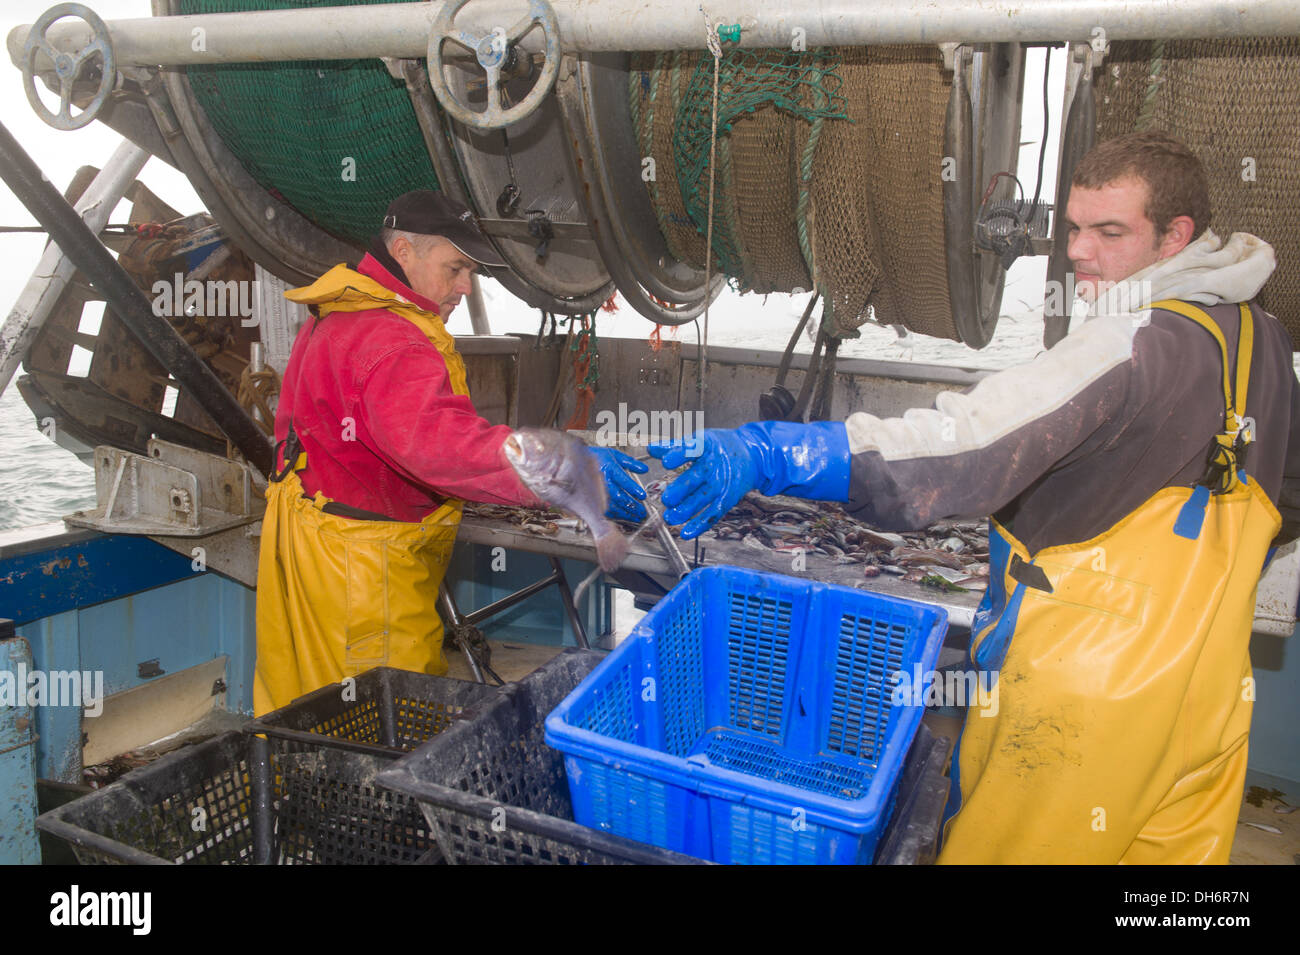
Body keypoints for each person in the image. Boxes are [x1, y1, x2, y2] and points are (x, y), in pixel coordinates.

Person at [648, 131, 1300, 863]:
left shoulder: (1126, 342)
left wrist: (777, 451)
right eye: (1074, 228)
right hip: (1209, 701)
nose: (1079, 253)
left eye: (1110, 232)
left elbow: (961, 446)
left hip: (1085, 706)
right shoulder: (1262, 339)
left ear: (1174, 236)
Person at [254, 191, 642, 715]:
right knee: (387, 715)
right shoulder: (391, 339)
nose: (465, 286)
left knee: (307, 705)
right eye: (455, 268)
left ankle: (302, 790)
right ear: (405, 252)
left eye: (471, 272)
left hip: (313, 533)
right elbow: (439, 445)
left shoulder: (347, 305)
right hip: (362, 571)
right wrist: (558, 473)